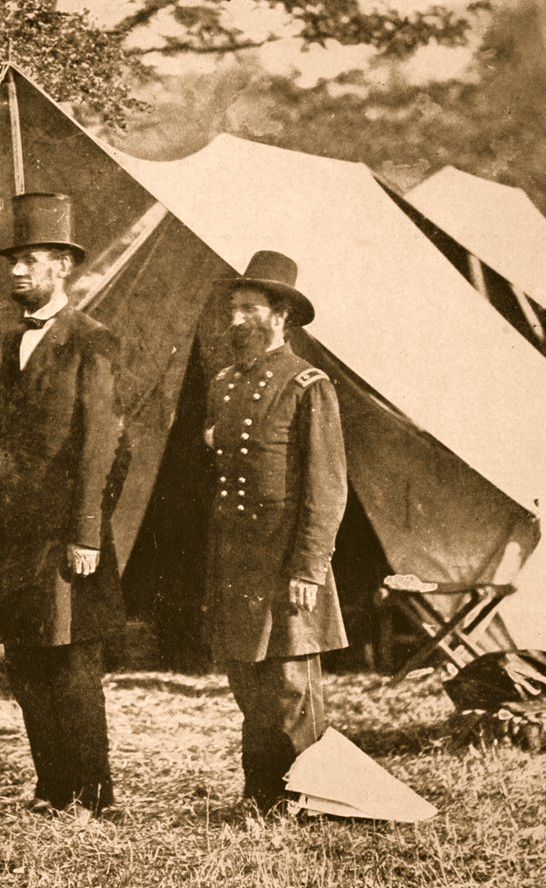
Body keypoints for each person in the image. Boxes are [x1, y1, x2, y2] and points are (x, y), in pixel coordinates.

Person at [0, 192, 129, 818]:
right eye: (13, 261)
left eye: (30, 261)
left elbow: (103, 447)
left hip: (65, 538)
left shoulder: (93, 341)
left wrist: (85, 533)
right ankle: (53, 788)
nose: (17, 271)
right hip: (12, 540)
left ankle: (94, 795)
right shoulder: (13, 341)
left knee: (71, 665)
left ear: (62, 266)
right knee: (26, 665)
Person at [203, 250, 348, 812]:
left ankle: (308, 798)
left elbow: (326, 487)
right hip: (237, 560)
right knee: (248, 683)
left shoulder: (308, 384)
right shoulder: (224, 383)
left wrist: (309, 569)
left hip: (286, 561)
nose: (236, 319)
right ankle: (262, 796)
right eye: (233, 309)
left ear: (281, 314)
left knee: (291, 689)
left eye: (250, 309)